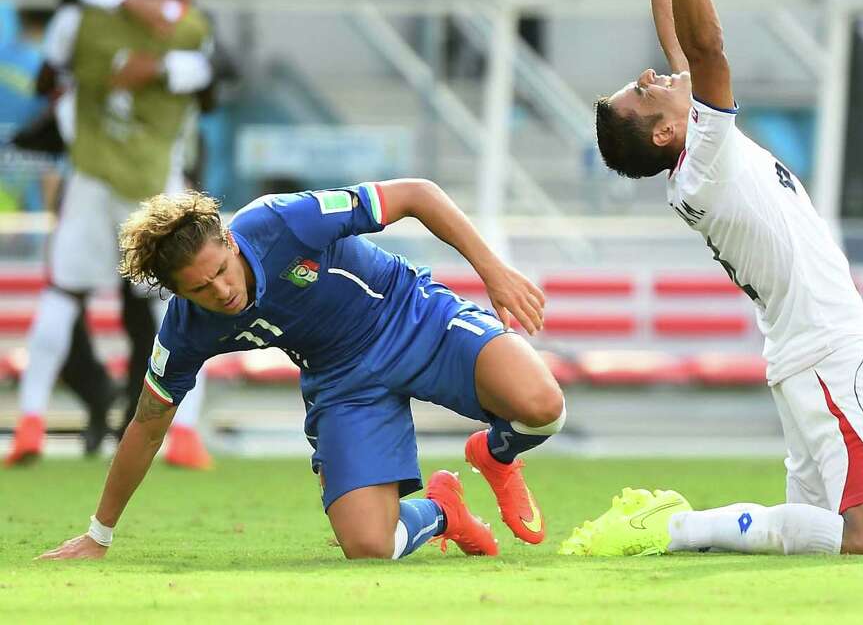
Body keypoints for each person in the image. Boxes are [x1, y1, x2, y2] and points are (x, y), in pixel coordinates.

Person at [568, 0, 863, 558]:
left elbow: (678, 39)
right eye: (644, 88)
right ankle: (676, 526)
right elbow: (709, 47)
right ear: (663, 131)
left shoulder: (695, 153)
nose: (655, 74)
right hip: (827, 344)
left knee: (824, 541)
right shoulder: (704, 160)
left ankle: (684, 529)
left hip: (803, 348)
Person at [39, 179, 564, 560]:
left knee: (544, 408)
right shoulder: (185, 330)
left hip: (413, 315)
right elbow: (147, 425)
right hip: (343, 381)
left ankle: (497, 455)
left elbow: (417, 195)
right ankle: (444, 511)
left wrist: (494, 273)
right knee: (368, 547)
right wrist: (99, 534)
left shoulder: (282, 220)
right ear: (175, 293)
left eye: (220, 270)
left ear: (227, 241)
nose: (220, 291)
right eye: (199, 288)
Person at [6, 0, 216, 468]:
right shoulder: (189, 30)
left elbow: (52, 71)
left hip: (91, 176)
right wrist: (162, 65)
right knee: (184, 298)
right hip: (157, 186)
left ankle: (30, 421)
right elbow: (207, 74)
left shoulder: (80, 19)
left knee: (63, 295)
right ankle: (187, 435)